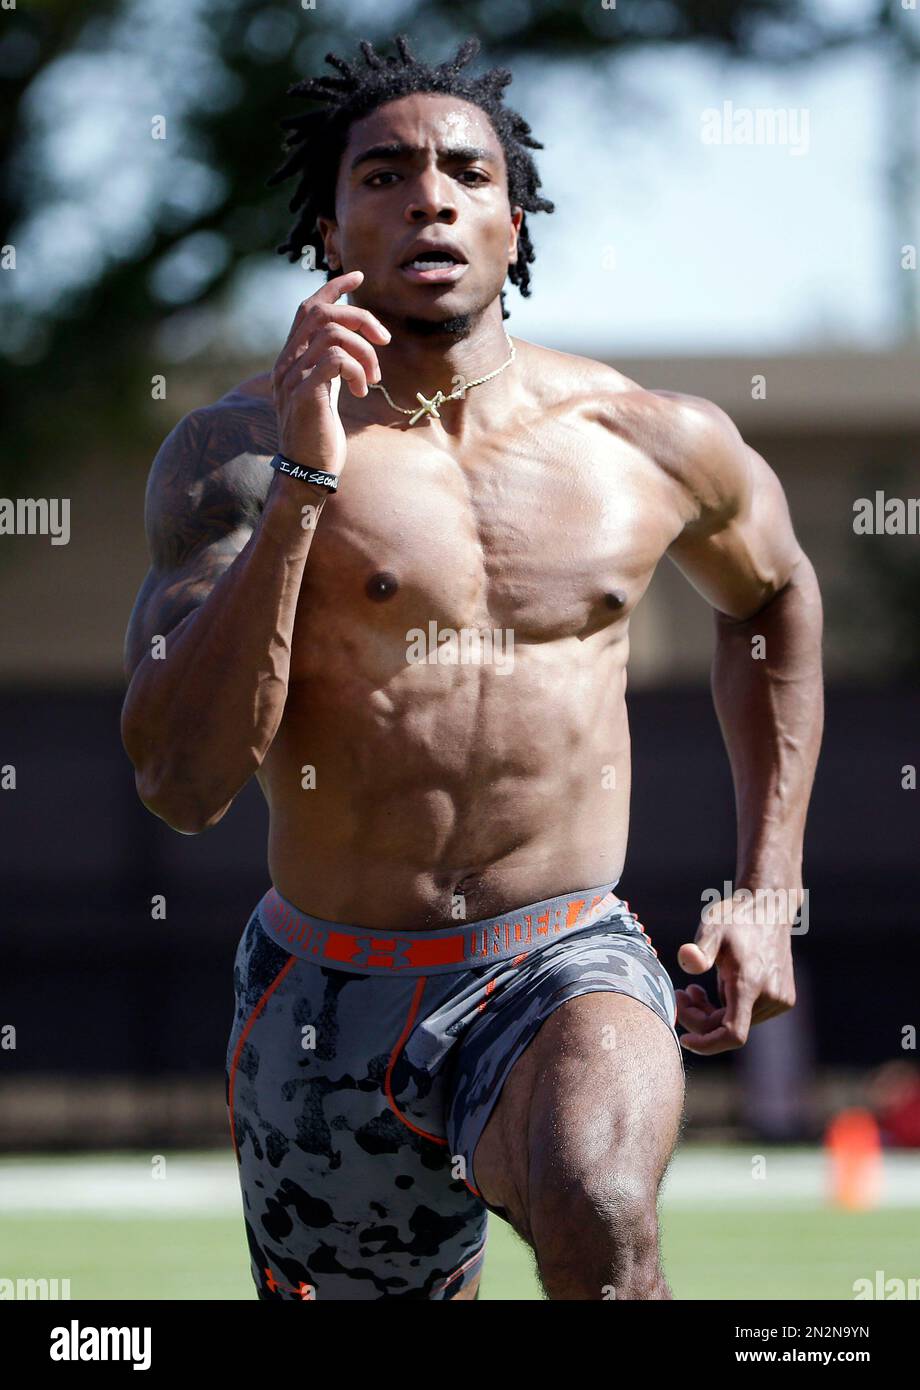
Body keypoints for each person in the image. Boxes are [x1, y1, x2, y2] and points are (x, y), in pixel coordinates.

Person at [121, 33, 824, 1300]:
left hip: (563, 958)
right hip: (325, 987)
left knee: (599, 1205)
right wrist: (303, 482)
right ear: (331, 227)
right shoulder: (226, 455)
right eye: (383, 174)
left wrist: (768, 889)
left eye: (464, 171)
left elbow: (773, 594)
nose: (428, 195)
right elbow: (180, 780)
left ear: (513, 218)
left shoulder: (649, 441)